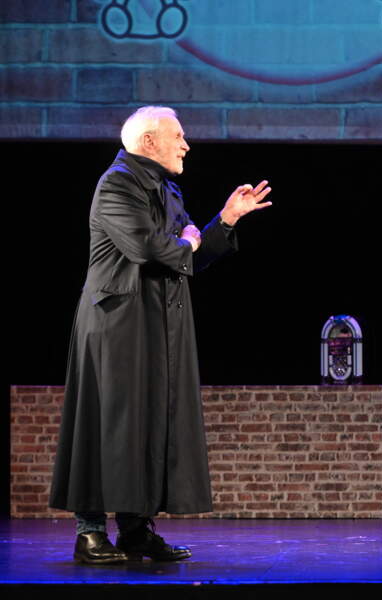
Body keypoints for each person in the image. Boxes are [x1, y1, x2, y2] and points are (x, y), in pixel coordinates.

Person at [49, 106, 272, 565]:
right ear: (149, 141)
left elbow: (189, 256)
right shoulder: (116, 183)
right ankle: (90, 532)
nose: (186, 145)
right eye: (179, 136)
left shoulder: (165, 188)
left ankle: (135, 530)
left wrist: (224, 221)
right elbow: (150, 247)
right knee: (105, 422)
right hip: (116, 322)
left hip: (156, 323)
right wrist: (185, 240)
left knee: (147, 425)